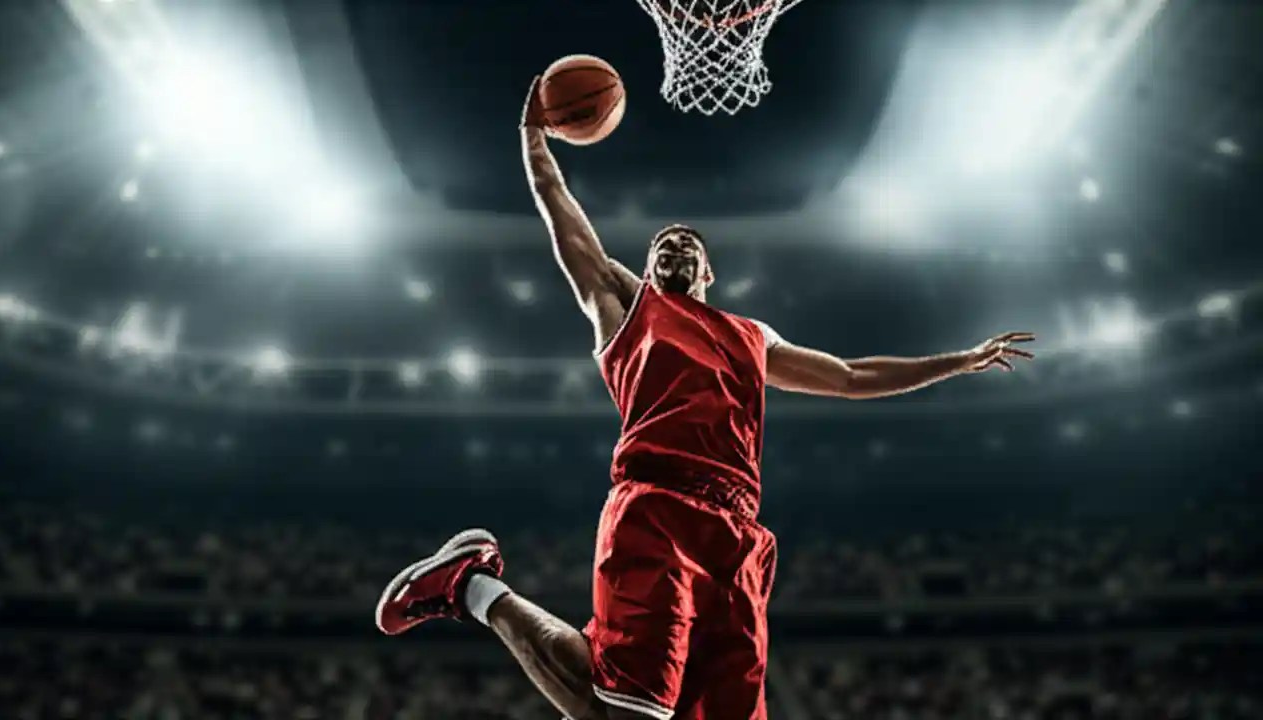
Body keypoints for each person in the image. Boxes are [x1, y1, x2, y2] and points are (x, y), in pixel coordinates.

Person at [374, 76, 1035, 720]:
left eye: (687, 239)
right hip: (657, 506)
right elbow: (559, 212)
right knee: (624, 708)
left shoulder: (753, 337)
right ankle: (472, 586)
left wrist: (960, 361)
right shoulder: (625, 307)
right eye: (663, 240)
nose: (674, 241)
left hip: (740, 538)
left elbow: (852, 377)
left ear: (709, 270)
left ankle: (475, 588)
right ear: (651, 266)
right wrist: (533, 137)